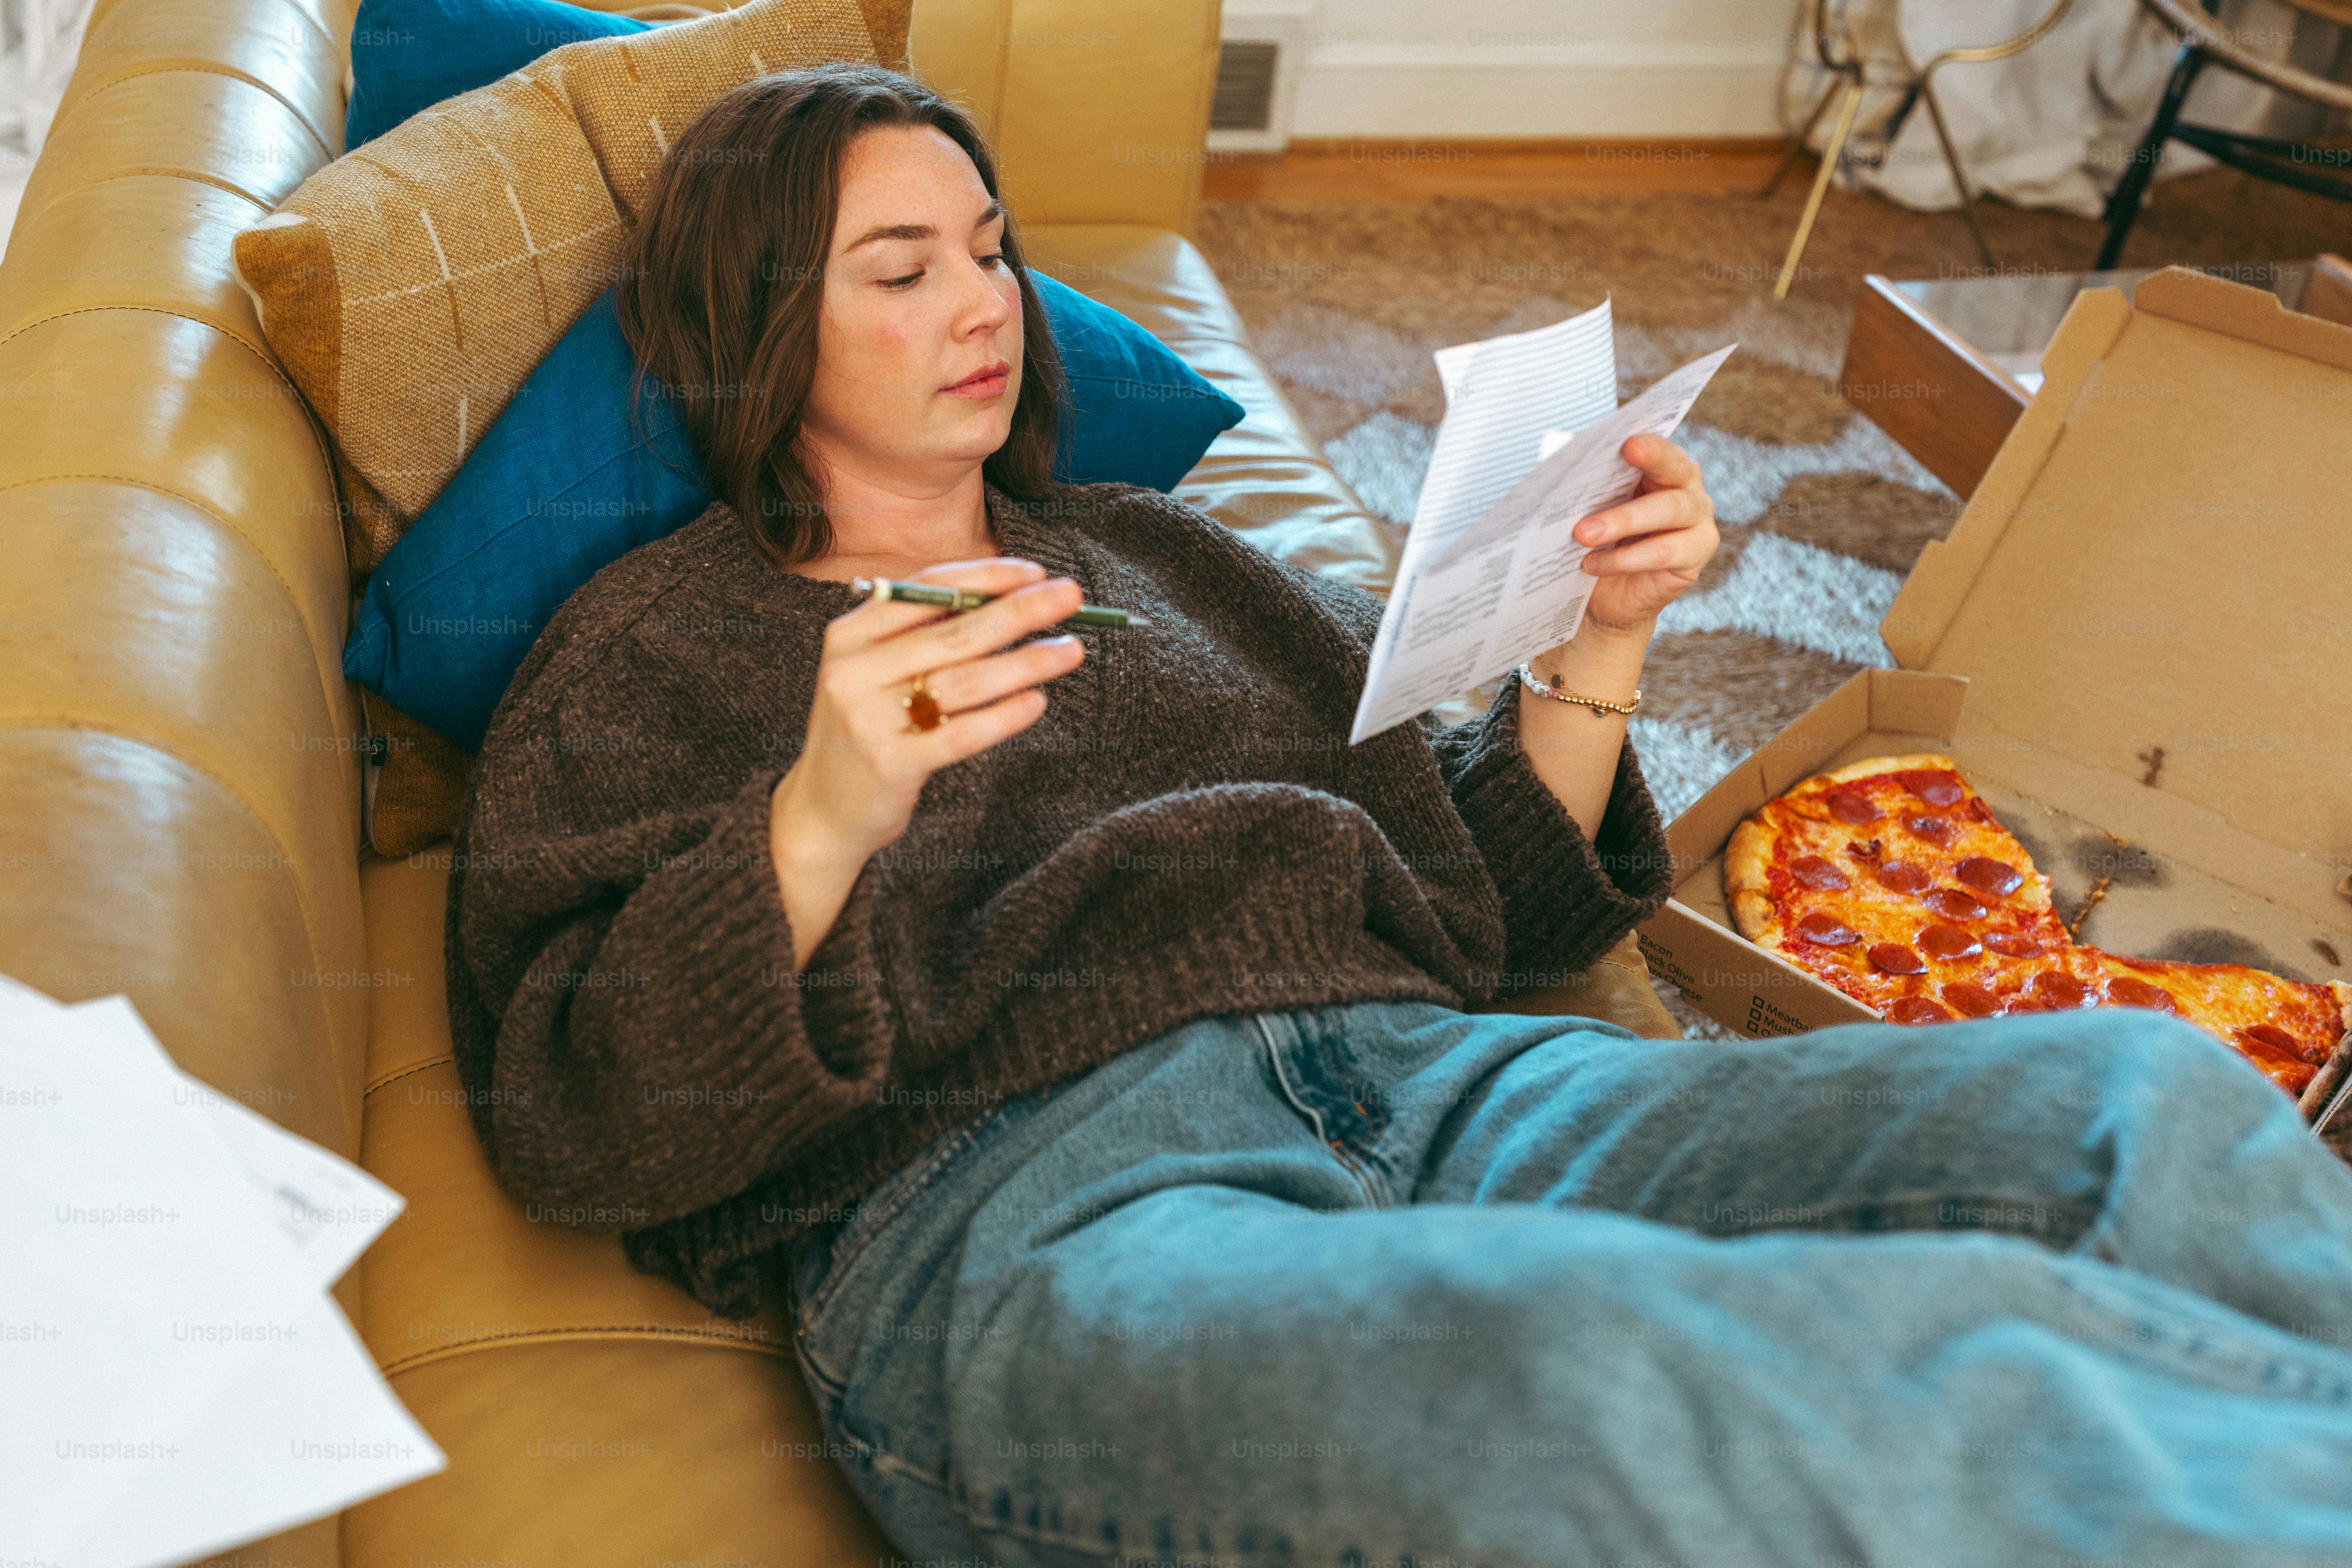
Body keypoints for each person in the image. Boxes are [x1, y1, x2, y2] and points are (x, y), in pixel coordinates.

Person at [444, 62, 2352, 1568]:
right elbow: (580, 1115)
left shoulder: (1159, 552)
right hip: (1039, 1215)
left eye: (993, 246)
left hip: (1437, 1082)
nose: (986, 302)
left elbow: (1487, 894)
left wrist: (1598, 640)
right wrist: (817, 822)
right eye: (901, 268)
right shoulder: (649, 650)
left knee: (2142, 1106)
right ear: (760, 325)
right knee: (1614, 1351)